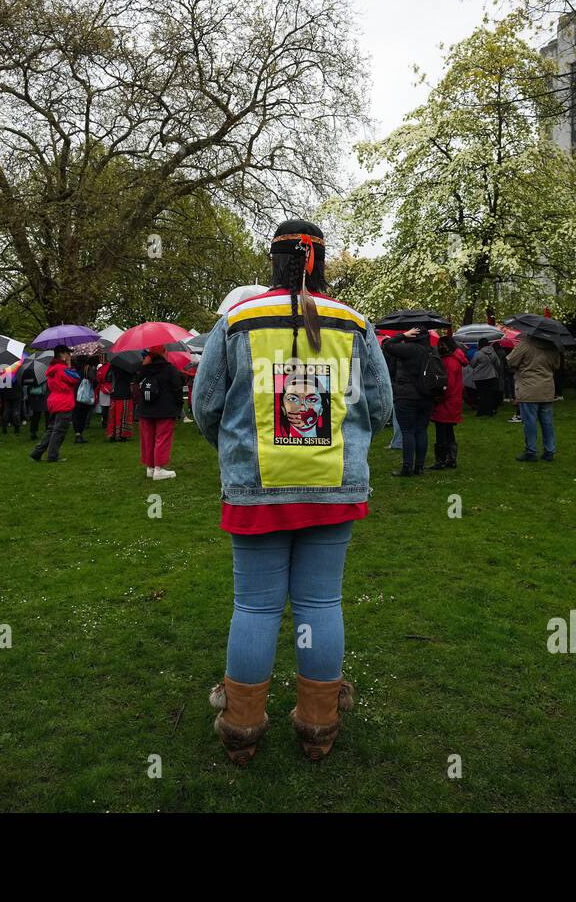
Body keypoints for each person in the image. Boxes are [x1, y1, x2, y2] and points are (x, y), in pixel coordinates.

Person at [192, 218, 392, 764]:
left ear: (273, 261)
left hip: (256, 487)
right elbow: (379, 407)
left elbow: (205, 406)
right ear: (320, 261)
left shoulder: (236, 321)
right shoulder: (354, 323)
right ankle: (318, 726)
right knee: (320, 603)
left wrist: (233, 451)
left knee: (254, 608)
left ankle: (241, 727)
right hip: (332, 485)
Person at [383, 326, 438, 476]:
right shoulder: (431, 351)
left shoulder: (410, 349)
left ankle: (407, 467)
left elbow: (386, 345)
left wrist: (402, 335)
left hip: (407, 395)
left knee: (408, 431)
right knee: (421, 430)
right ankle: (419, 467)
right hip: (427, 396)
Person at [508, 332, 562, 461]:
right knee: (547, 422)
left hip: (528, 389)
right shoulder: (552, 347)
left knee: (529, 422)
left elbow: (511, 361)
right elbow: (556, 365)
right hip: (547, 388)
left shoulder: (525, 344)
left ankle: (531, 451)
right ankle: (549, 451)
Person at [135, 346, 185, 479]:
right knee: (162, 438)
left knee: (147, 438)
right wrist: (179, 405)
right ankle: (159, 468)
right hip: (165, 409)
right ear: (163, 353)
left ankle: (150, 467)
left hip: (146, 409)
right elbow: (177, 389)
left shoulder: (143, 369)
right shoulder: (170, 369)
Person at [30, 346, 79, 463]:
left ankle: (37, 452)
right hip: (64, 402)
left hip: (54, 401)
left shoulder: (52, 368)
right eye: (68, 353)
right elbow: (75, 379)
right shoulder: (62, 368)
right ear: (62, 354)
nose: (70, 356)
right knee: (59, 431)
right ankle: (53, 455)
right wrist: (69, 364)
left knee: (52, 429)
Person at [429, 336, 468, 470]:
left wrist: (438, 397)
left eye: (443, 345)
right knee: (448, 431)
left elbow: (448, 385)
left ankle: (441, 460)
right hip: (452, 401)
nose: (441, 347)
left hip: (446, 402)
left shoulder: (450, 361)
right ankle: (450, 459)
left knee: (442, 431)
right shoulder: (454, 359)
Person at [468, 340, 504, 416]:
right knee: (489, 394)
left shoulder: (478, 353)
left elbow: (472, 364)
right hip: (491, 376)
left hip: (479, 377)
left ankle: (481, 412)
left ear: (480, 345)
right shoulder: (493, 352)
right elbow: (498, 364)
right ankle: (490, 411)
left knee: (481, 395)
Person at [71, 355, 97, 443]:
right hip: (84, 395)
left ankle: (77, 433)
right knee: (83, 415)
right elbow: (93, 380)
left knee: (76, 414)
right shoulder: (87, 368)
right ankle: (80, 434)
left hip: (74, 393)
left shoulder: (72, 368)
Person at [106, 362, 135, 441]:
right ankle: (123, 435)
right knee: (124, 415)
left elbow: (107, 378)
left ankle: (113, 434)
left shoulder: (113, 365)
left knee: (114, 414)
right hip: (125, 393)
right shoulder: (129, 366)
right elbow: (132, 379)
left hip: (115, 392)